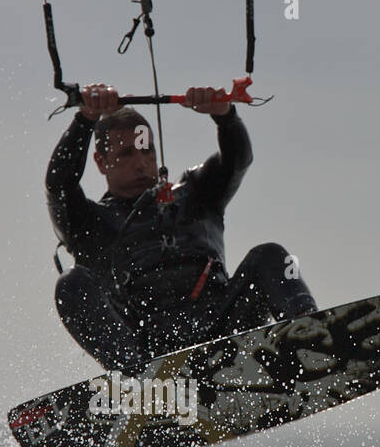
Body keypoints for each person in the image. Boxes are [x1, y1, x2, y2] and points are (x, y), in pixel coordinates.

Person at [46, 82, 317, 374]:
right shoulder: (88, 223)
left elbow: (238, 159)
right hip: (148, 356)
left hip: (224, 334)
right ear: (101, 162)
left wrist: (224, 116)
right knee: (70, 283)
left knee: (270, 255)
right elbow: (58, 185)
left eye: (147, 151)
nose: (141, 164)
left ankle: (311, 337)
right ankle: (138, 379)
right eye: (126, 154)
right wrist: (85, 119)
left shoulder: (196, 193)